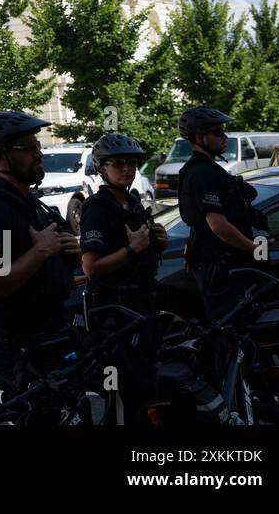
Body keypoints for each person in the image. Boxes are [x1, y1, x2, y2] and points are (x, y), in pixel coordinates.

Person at [0, 110, 80, 402]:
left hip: (51, 339)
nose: (38, 153)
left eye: (37, 145)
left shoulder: (33, 205)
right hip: (17, 352)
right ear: (0, 157)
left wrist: (70, 252)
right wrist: (41, 252)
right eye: (28, 148)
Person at [78, 133, 167, 416]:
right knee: (123, 395)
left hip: (142, 309)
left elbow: (142, 252)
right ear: (102, 168)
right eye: (118, 163)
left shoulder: (132, 201)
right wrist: (133, 248)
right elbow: (91, 267)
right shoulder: (97, 208)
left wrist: (156, 243)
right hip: (116, 317)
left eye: (132, 162)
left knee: (146, 389)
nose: (127, 168)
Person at [176, 106, 265, 323]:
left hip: (224, 265)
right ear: (199, 137)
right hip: (220, 269)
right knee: (229, 330)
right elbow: (218, 225)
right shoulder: (201, 173)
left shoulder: (210, 169)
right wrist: (255, 249)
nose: (224, 137)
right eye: (217, 132)